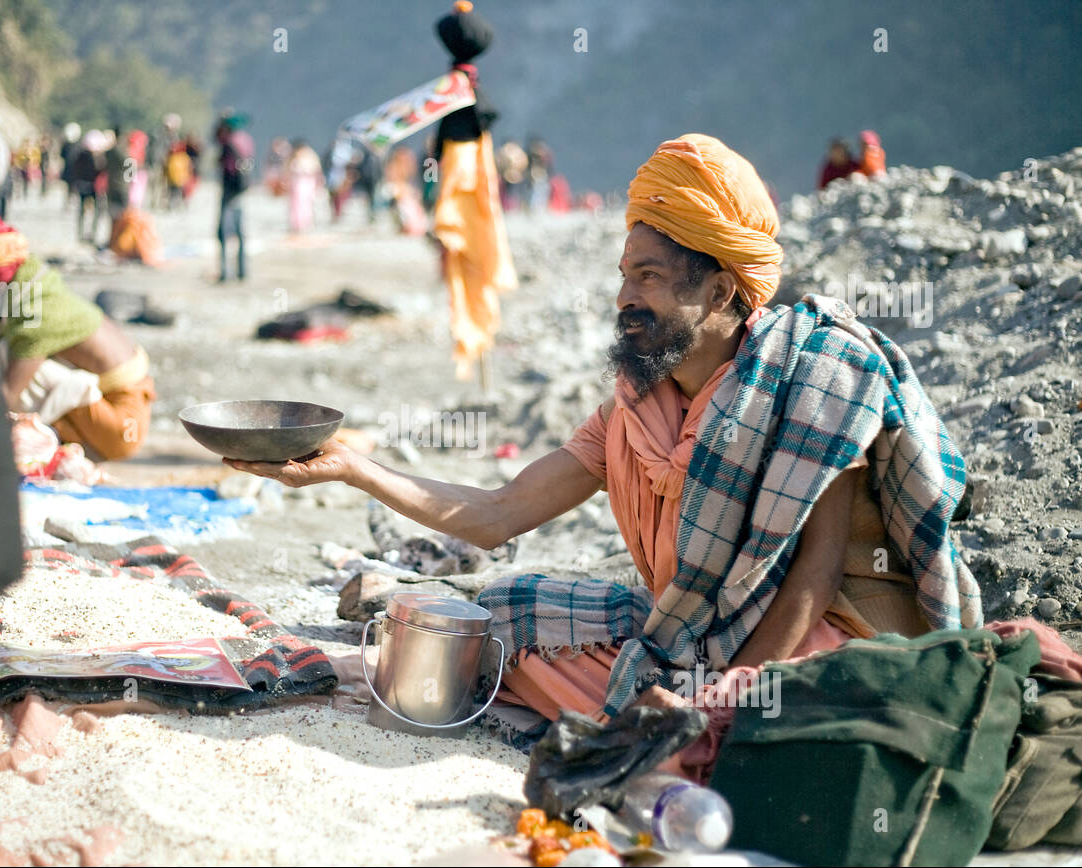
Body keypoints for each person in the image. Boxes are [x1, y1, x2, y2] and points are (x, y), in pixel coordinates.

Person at [225, 133, 994, 726]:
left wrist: (717, 707)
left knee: (700, 714)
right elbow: (498, 515)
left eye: (649, 278)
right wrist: (354, 468)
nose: (625, 298)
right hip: (696, 637)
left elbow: (812, 583)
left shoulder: (815, 381)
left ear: (721, 287)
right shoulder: (636, 406)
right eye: (625, 275)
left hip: (821, 647)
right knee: (500, 617)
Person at [0, 209, 157, 460]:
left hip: (123, 428)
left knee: (15, 372)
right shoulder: (30, 277)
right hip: (123, 408)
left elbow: (6, 396)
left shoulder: (33, 313)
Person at [431, 0, 516, 384]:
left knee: (468, 271)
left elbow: (457, 170)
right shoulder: (469, 95)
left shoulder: (456, 99)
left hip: (464, 198)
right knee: (473, 267)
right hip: (471, 201)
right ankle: (476, 344)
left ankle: (476, 340)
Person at [215, 113, 253, 281]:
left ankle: (225, 273)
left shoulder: (229, 143)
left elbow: (228, 168)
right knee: (240, 233)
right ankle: (243, 272)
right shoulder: (246, 140)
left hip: (230, 192)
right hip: (242, 191)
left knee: (223, 233)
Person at [286, 137, 321, 234]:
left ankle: (305, 223)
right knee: (295, 204)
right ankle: (296, 224)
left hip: (306, 183)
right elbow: (287, 170)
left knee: (305, 204)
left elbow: (315, 169)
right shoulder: (292, 157)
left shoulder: (310, 156)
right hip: (295, 183)